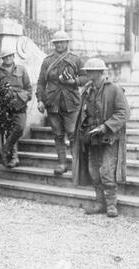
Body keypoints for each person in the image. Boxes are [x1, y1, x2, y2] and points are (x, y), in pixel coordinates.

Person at [73, 58, 130, 218]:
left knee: (106, 171)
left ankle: (111, 205)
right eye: (88, 71)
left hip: (108, 137)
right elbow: (82, 114)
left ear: (100, 72)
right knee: (93, 172)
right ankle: (100, 203)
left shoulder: (114, 89)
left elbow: (124, 113)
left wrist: (105, 126)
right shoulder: (87, 90)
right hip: (92, 138)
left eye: (92, 71)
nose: (89, 73)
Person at [36, 31, 87, 176]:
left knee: (72, 133)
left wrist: (74, 81)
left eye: (62, 42)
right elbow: (41, 82)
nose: (59, 44)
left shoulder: (75, 59)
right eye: (57, 42)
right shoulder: (47, 61)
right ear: (54, 44)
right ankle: (62, 163)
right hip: (52, 102)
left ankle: (77, 165)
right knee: (58, 135)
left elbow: (85, 77)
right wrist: (40, 100)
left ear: (67, 43)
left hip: (71, 101)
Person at [0, 49, 33, 169]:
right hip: (5, 104)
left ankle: (4, 150)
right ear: (2, 59)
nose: (8, 58)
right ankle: (14, 158)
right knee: (9, 131)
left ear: (13, 57)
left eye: (10, 56)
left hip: (20, 103)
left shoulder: (21, 69)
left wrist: (26, 97)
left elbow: (28, 87)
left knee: (20, 128)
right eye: (5, 57)